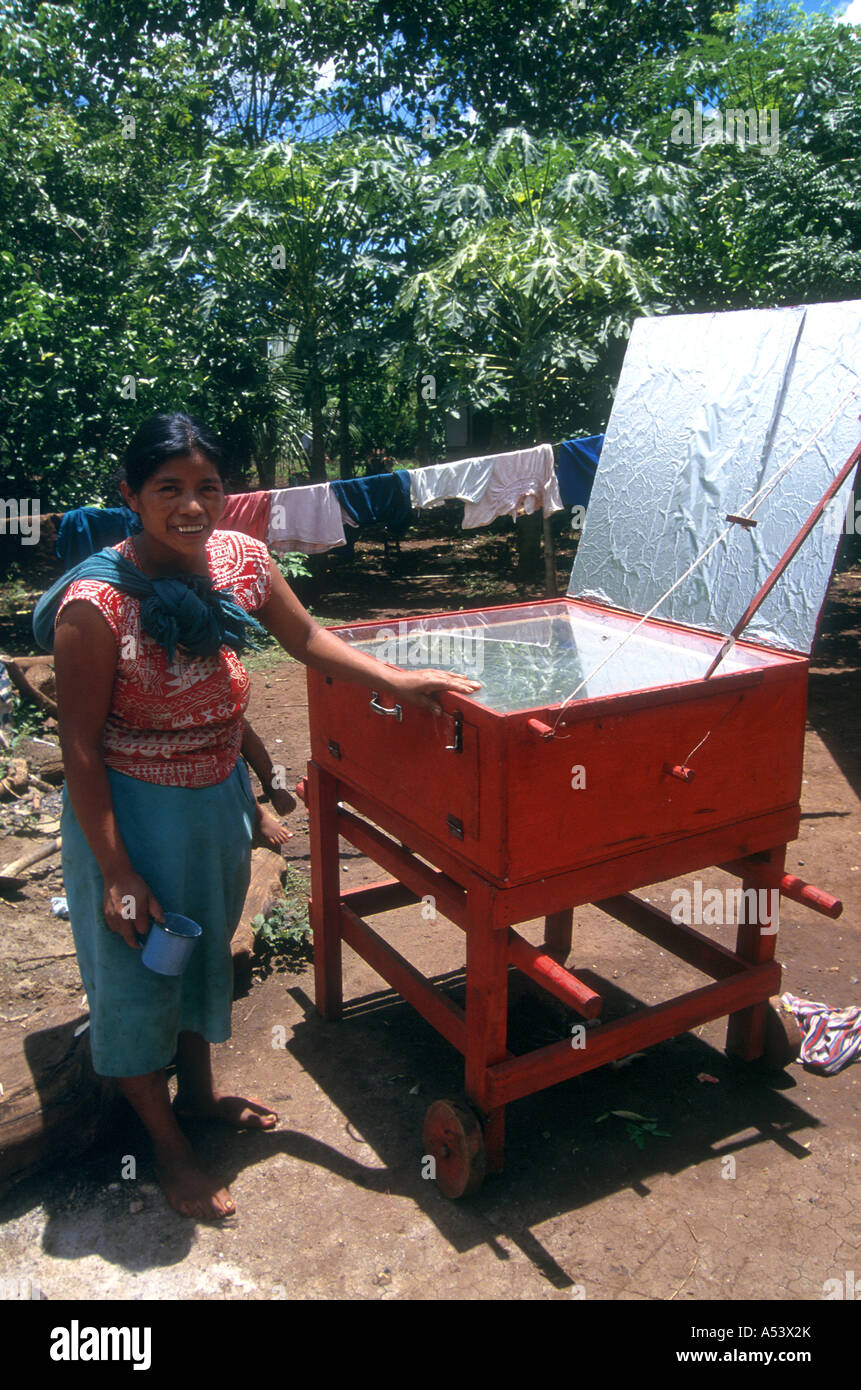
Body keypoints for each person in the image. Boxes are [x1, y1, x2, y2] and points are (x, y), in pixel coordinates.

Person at [40, 412, 481, 1222]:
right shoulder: (93, 608)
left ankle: (201, 1096)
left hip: (215, 806)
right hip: (131, 817)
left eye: (208, 486)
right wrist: (115, 872)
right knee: (139, 978)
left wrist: (396, 680)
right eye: (168, 489)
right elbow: (79, 753)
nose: (191, 506)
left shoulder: (242, 562)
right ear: (131, 495)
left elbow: (307, 636)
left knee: (200, 958)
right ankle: (169, 1151)